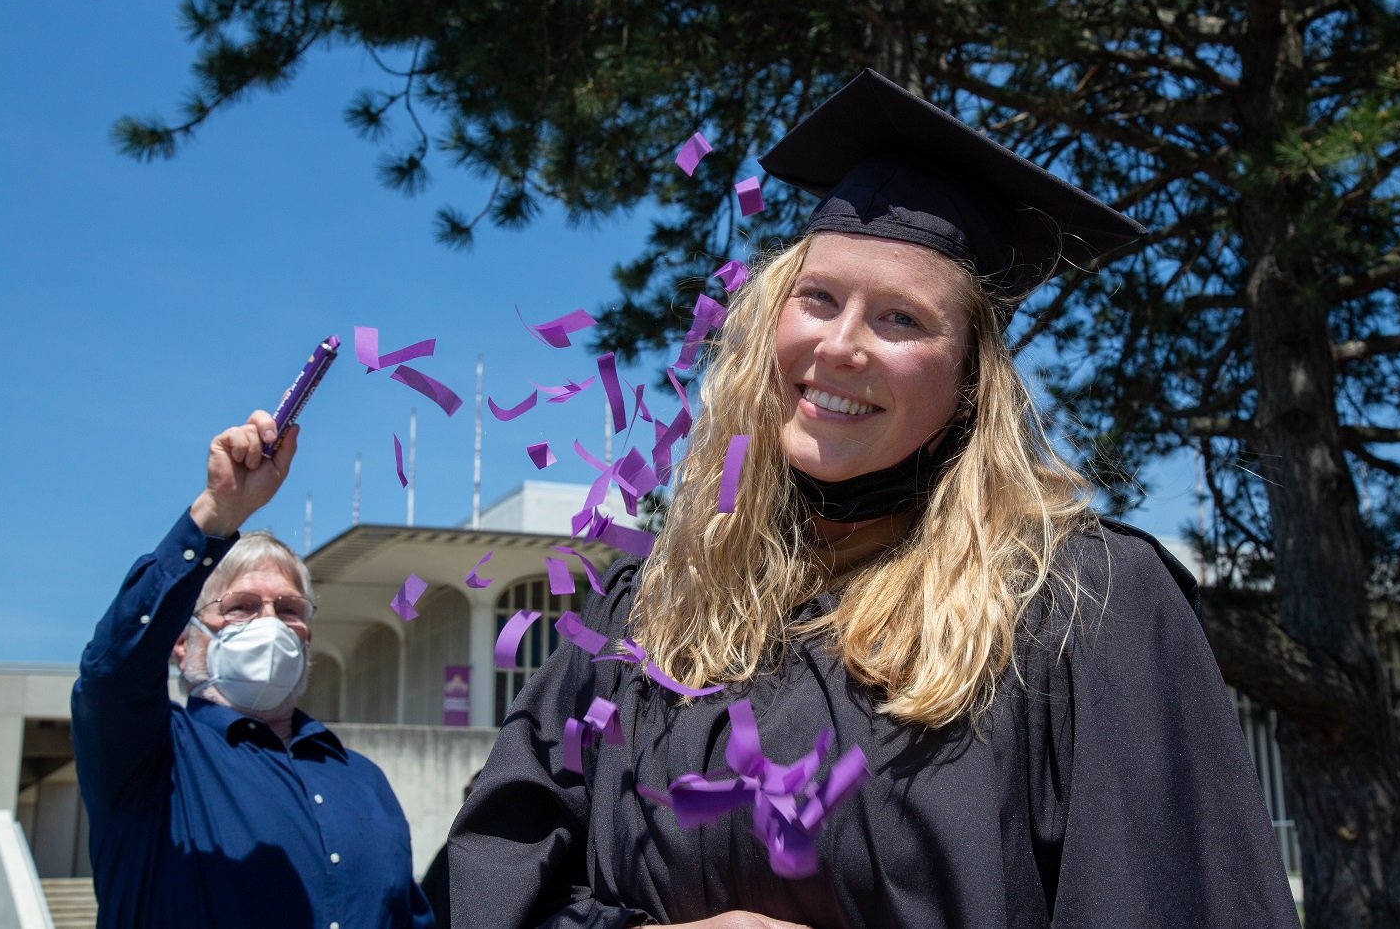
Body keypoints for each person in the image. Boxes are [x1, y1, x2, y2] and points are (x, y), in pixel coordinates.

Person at [447, 70, 1301, 927]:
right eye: (817, 299)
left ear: (969, 382)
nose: (843, 344)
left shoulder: (1078, 605)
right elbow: (482, 888)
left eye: (902, 320)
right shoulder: (650, 614)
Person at [72, 410, 435, 929]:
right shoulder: (149, 757)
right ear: (181, 640)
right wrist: (216, 512)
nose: (271, 625)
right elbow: (111, 672)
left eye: (290, 610)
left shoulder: (364, 781)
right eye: (241, 606)